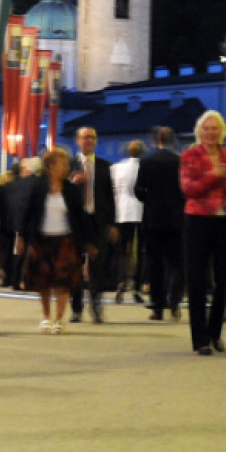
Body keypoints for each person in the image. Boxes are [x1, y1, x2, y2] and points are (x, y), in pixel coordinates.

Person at [180, 110, 226, 355]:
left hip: (224, 219)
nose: (211, 133)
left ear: (222, 131)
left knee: (224, 278)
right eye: (206, 128)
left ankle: (215, 333)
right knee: (196, 279)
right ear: (199, 131)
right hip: (197, 219)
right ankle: (200, 339)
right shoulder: (189, 156)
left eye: (215, 128)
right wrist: (213, 175)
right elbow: (188, 189)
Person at [19, 147, 91, 332]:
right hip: (41, 239)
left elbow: (80, 217)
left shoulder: (72, 190)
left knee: (62, 281)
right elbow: (27, 214)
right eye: (62, 163)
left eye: (66, 163)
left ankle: (59, 319)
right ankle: (45, 316)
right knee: (43, 281)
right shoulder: (38, 188)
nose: (66, 167)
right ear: (50, 166)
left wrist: (85, 243)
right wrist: (21, 237)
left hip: (64, 239)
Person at [135, 127, 184, 321]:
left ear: (155, 140)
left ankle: (158, 306)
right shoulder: (179, 161)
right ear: (172, 140)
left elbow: (138, 189)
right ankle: (175, 299)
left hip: (153, 218)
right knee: (175, 262)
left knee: (155, 263)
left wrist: (150, 200)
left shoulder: (146, 161)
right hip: (176, 218)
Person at [69, 127, 116, 324]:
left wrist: (112, 224)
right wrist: (73, 182)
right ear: (77, 140)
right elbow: (59, 190)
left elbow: (110, 197)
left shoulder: (105, 166)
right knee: (74, 266)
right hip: (76, 222)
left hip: (99, 221)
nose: (88, 140)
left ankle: (96, 306)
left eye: (92, 137)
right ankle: (76, 308)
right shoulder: (69, 165)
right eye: (84, 137)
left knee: (99, 265)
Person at [111, 140, 144, 302]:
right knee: (140, 252)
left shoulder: (116, 168)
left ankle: (119, 282)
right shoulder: (143, 167)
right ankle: (137, 287)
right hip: (140, 211)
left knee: (122, 251)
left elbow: (114, 190)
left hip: (121, 211)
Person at [2, 159, 42, 289]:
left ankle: (15, 280)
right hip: (35, 223)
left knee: (20, 253)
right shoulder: (40, 184)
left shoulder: (17, 184)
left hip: (17, 222)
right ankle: (28, 281)